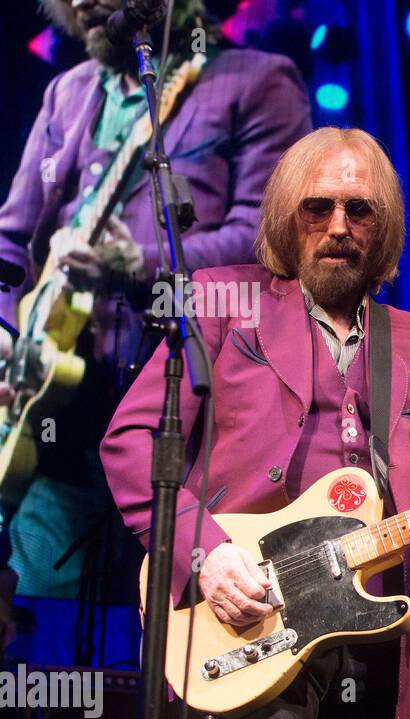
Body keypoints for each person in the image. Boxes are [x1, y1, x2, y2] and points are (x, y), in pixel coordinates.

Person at [100, 126, 410, 719]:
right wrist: (206, 551)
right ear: (288, 214)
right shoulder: (223, 302)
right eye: (318, 208)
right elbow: (132, 442)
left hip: (377, 637)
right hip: (254, 610)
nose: (339, 227)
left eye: (360, 210)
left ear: (385, 227)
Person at [0, 0, 311, 615]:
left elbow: (268, 241)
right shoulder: (69, 93)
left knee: (174, 634)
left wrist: (137, 261)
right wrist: (6, 326)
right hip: (58, 413)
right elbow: (12, 242)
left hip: (185, 419)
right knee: (41, 617)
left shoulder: (256, 81)